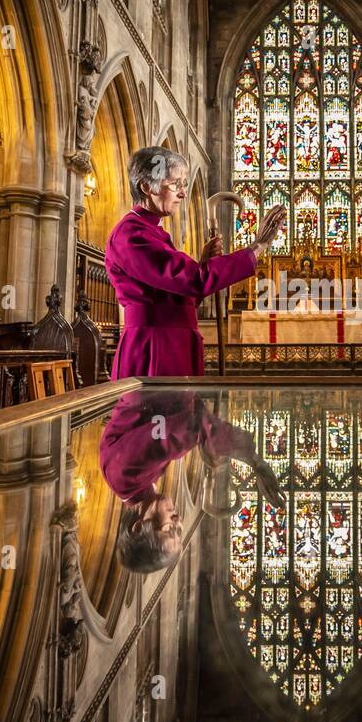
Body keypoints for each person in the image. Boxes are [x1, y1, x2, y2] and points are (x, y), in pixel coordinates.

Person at [105, 146, 286, 378]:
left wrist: (203, 263)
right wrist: (257, 247)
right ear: (146, 186)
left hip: (171, 343)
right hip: (153, 349)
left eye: (184, 185)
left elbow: (180, 295)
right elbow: (194, 281)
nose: (182, 193)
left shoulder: (152, 231)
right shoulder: (131, 234)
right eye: (174, 184)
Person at [99, 390, 284, 573]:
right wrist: (206, 444)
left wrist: (252, 458)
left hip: (156, 368)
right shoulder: (142, 483)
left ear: (139, 526)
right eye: (179, 531)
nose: (178, 520)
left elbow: (189, 425)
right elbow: (190, 416)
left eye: (170, 530)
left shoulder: (124, 473)